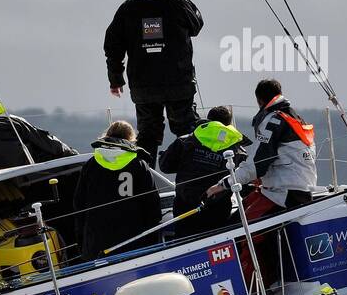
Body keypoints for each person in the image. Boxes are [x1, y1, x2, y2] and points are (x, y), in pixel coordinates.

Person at [103, 0, 204, 157]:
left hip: (143, 86)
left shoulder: (127, 8)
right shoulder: (179, 3)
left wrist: (115, 80)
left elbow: (112, 46)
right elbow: (197, 26)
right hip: (179, 82)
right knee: (187, 131)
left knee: (148, 135)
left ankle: (146, 183)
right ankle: (190, 182)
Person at [206, 79, 317, 220]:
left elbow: (256, 164)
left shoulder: (272, 120)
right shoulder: (296, 119)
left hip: (284, 194)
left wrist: (223, 185)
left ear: (259, 100)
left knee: (236, 228)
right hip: (301, 189)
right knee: (241, 212)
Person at [73, 121, 163, 261]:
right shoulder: (138, 164)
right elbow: (152, 206)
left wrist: (83, 242)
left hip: (97, 245)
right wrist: (151, 239)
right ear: (131, 139)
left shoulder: (90, 165)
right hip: (133, 242)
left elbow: (79, 206)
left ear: (107, 136)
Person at [158, 105, 250, 238]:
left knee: (185, 248)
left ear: (208, 120)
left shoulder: (185, 141)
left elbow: (165, 167)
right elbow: (243, 183)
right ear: (229, 124)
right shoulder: (239, 151)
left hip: (185, 208)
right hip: (218, 211)